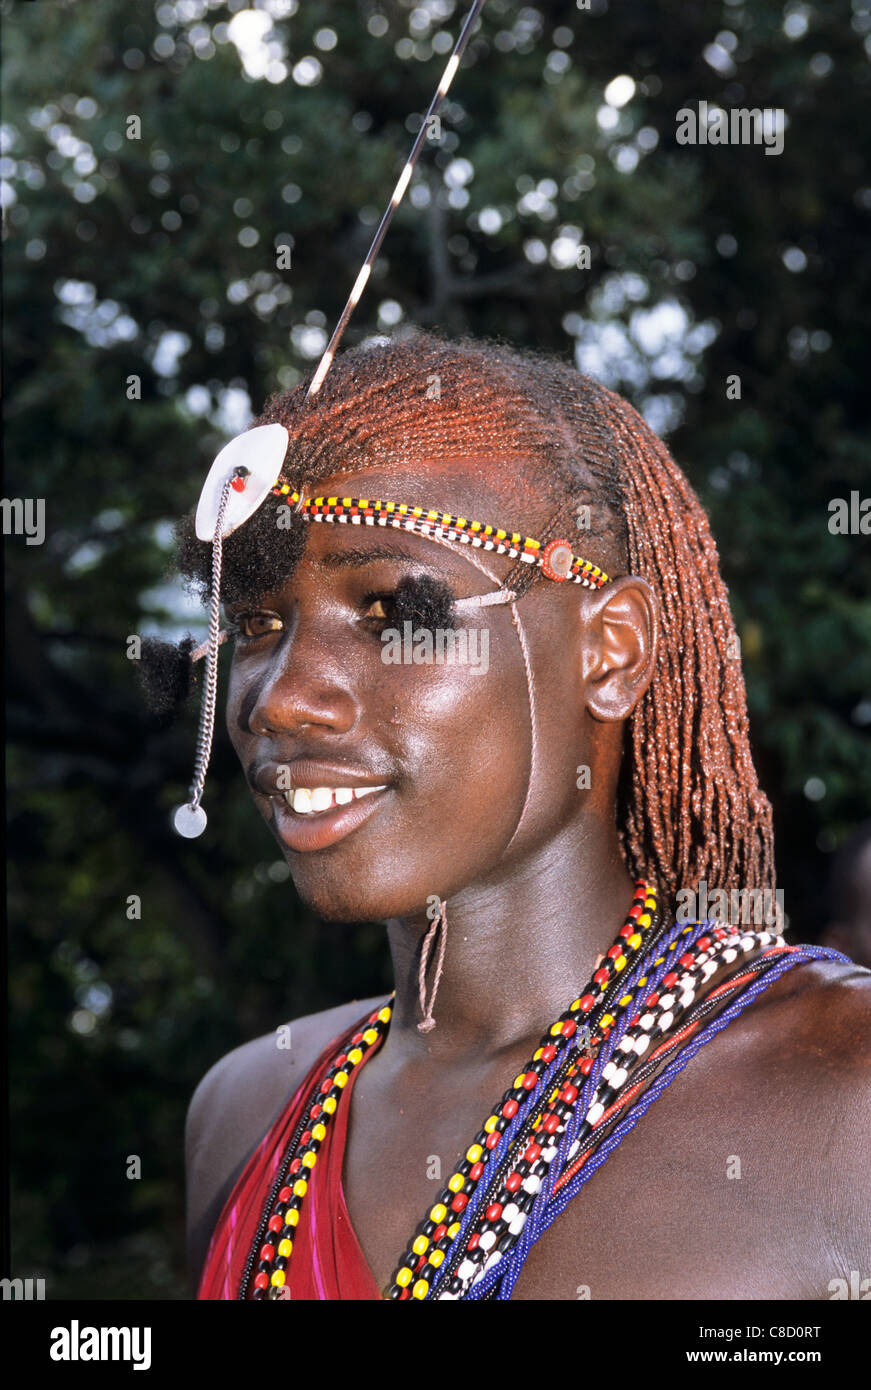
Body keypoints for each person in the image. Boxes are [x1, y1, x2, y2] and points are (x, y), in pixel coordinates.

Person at [170, 331, 870, 1300]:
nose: (282, 700)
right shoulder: (243, 1109)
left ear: (610, 651)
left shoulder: (843, 1087)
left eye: (391, 614)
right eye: (253, 625)